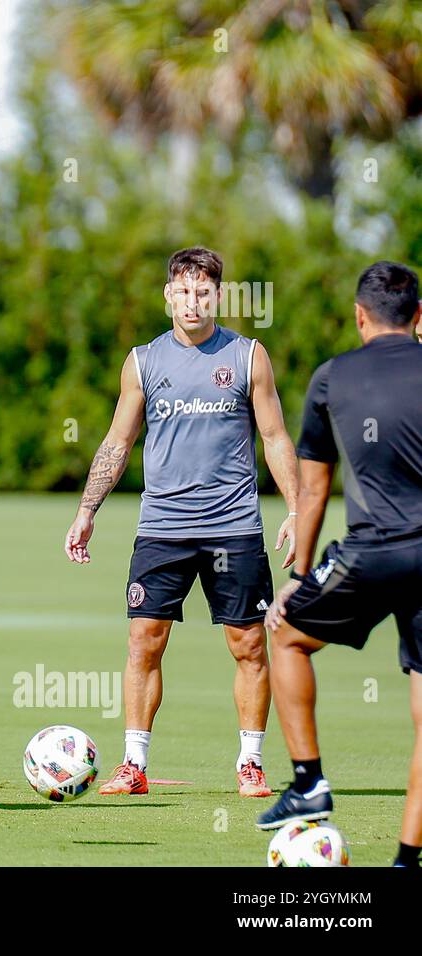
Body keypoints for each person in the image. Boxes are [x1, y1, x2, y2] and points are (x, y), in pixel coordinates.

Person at [64, 246, 300, 797]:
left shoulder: (247, 357)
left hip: (234, 527)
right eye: (183, 291)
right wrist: (85, 510)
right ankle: (133, 765)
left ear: (218, 295)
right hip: (162, 528)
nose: (193, 301)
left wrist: (294, 508)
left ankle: (250, 763)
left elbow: (274, 437)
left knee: (248, 645)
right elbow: (118, 442)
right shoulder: (143, 361)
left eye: (204, 292)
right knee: (144, 641)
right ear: (168, 294)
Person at [258, 261, 422, 869]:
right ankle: (407, 861)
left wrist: (298, 578)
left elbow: (313, 489)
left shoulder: (333, 378)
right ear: (419, 317)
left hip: (372, 552)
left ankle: (308, 782)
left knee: (286, 636)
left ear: (359, 317)